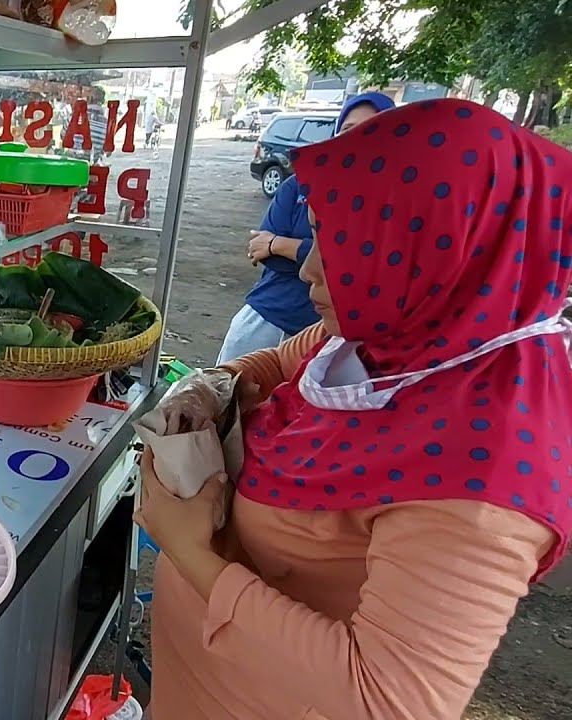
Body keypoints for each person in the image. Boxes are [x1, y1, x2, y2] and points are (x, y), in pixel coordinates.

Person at [139, 99, 572, 719]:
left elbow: (385, 702)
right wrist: (204, 388)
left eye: (359, 243)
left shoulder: (488, 469)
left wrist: (189, 551)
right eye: (321, 232)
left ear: (447, 249)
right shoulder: (402, 334)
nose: (312, 266)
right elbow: (268, 366)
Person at [215, 92, 396, 364]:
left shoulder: (395, 204)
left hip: (334, 335)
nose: (309, 272)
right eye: (348, 129)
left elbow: (371, 268)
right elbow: (262, 253)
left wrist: (280, 244)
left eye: (372, 129)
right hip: (267, 314)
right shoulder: (300, 186)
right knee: (225, 394)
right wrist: (318, 254)